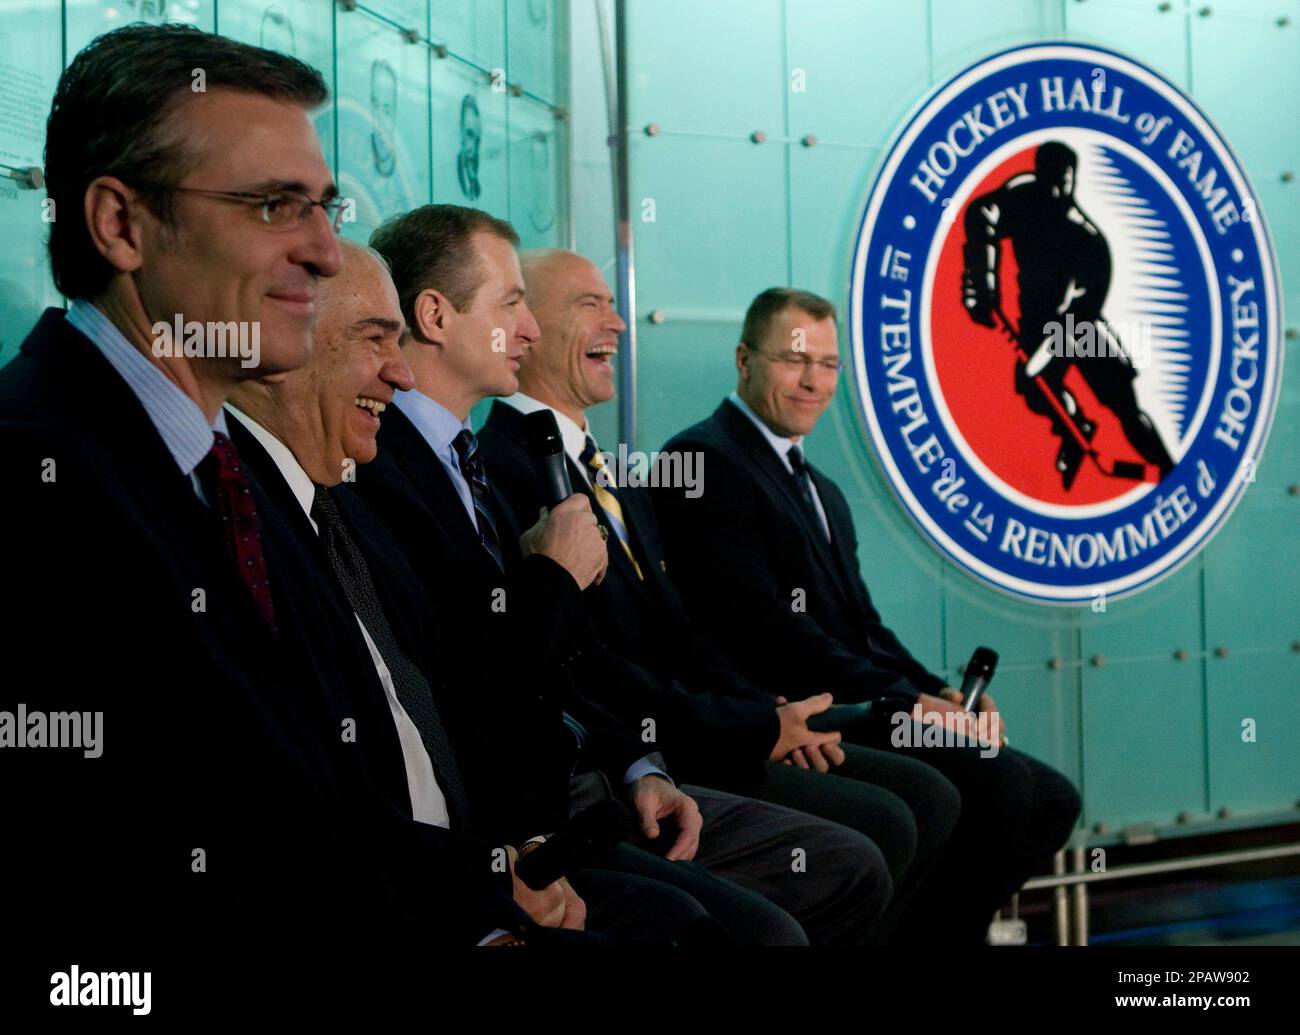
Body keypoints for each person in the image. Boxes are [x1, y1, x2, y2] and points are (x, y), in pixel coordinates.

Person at [0, 24, 572, 973]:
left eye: (322, 205)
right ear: (120, 225)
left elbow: (312, 796)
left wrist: (482, 884)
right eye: (273, 205)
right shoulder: (37, 482)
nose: (321, 248)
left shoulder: (236, 474)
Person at [357, 204, 891, 945]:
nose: (532, 328)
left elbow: (609, 652)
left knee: (850, 858)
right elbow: (485, 677)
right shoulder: (398, 470)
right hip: (528, 820)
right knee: (779, 905)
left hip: (606, 780)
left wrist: (644, 763)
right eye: (516, 303)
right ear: (437, 315)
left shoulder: (472, 464)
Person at [225, 238, 722, 943]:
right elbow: (468, 684)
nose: (397, 373)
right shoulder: (314, 492)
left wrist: (637, 759)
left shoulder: (342, 484)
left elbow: (466, 680)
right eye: (514, 302)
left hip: (527, 832)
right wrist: (484, 891)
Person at [476, 247, 970, 943]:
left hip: (690, 735)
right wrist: (755, 724)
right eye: (591, 305)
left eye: (829, 364)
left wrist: (764, 711)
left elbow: (685, 632)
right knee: (891, 822)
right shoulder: (499, 469)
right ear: (524, 326)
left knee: (915, 809)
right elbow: (581, 664)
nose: (618, 323)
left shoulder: (614, 469)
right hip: (643, 759)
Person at [657, 285, 1084, 942]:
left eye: (828, 365)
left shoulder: (820, 488)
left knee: (1053, 796)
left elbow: (864, 625)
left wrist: (940, 694)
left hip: (865, 697)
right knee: (998, 787)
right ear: (744, 359)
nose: (813, 381)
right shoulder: (705, 461)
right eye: (795, 360)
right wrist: (904, 699)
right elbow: (766, 631)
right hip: (807, 710)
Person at [962, 140, 1174, 487]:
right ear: (1040, 173)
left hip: (1082, 329)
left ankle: (1168, 468)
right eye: (1050, 179)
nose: (1058, 189)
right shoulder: (1023, 199)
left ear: (1074, 178)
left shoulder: (1088, 240)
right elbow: (981, 216)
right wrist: (981, 286)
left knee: (1123, 404)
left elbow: (1077, 316)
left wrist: (1042, 357)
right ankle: (1077, 428)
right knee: (1033, 388)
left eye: (1065, 180)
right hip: (1035, 321)